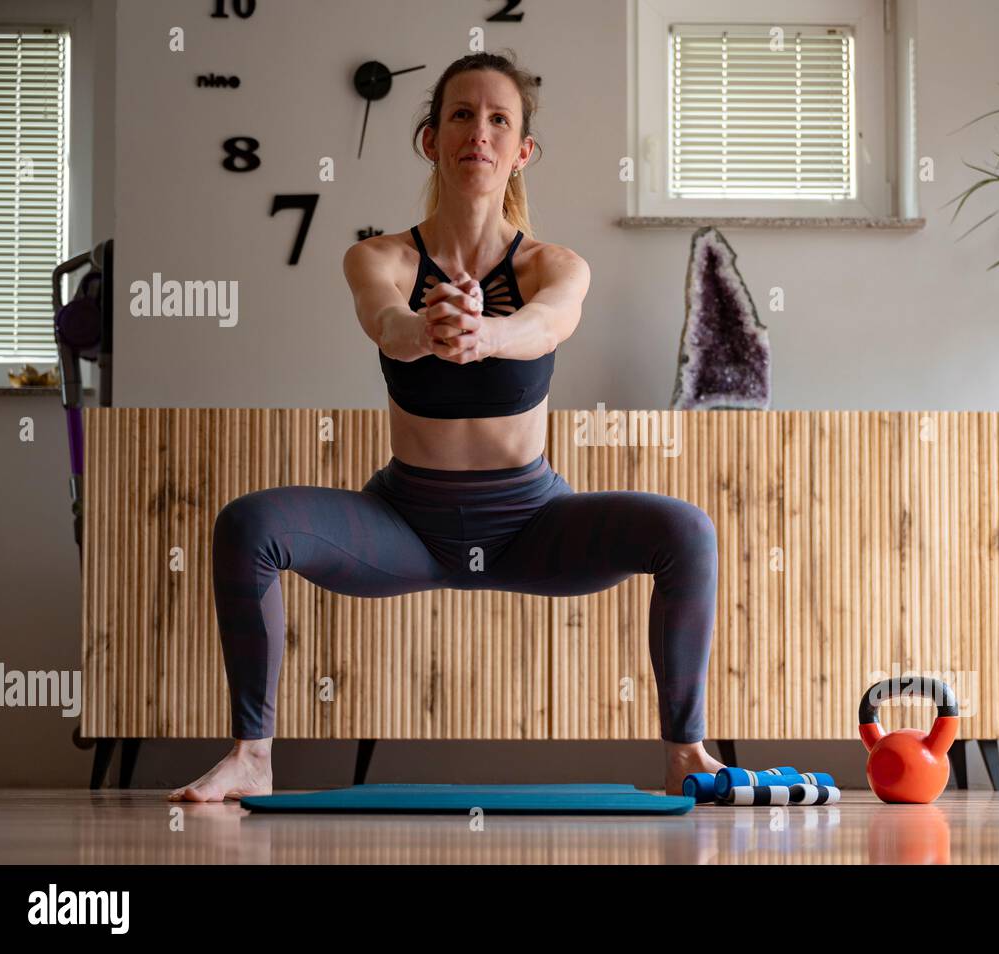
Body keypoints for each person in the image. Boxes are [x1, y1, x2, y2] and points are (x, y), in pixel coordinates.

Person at [169, 50, 723, 802]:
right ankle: (252, 755)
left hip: (532, 521)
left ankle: (686, 752)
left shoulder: (555, 265)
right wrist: (426, 330)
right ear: (430, 138)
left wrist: (487, 335)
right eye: (462, 115)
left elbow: (548, 323)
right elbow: (385, 322)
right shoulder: (380, 256)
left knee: (686, 531)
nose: (480, 134)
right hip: (405, 523)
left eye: (500, 120)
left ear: (523, 151)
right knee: (248, 524)